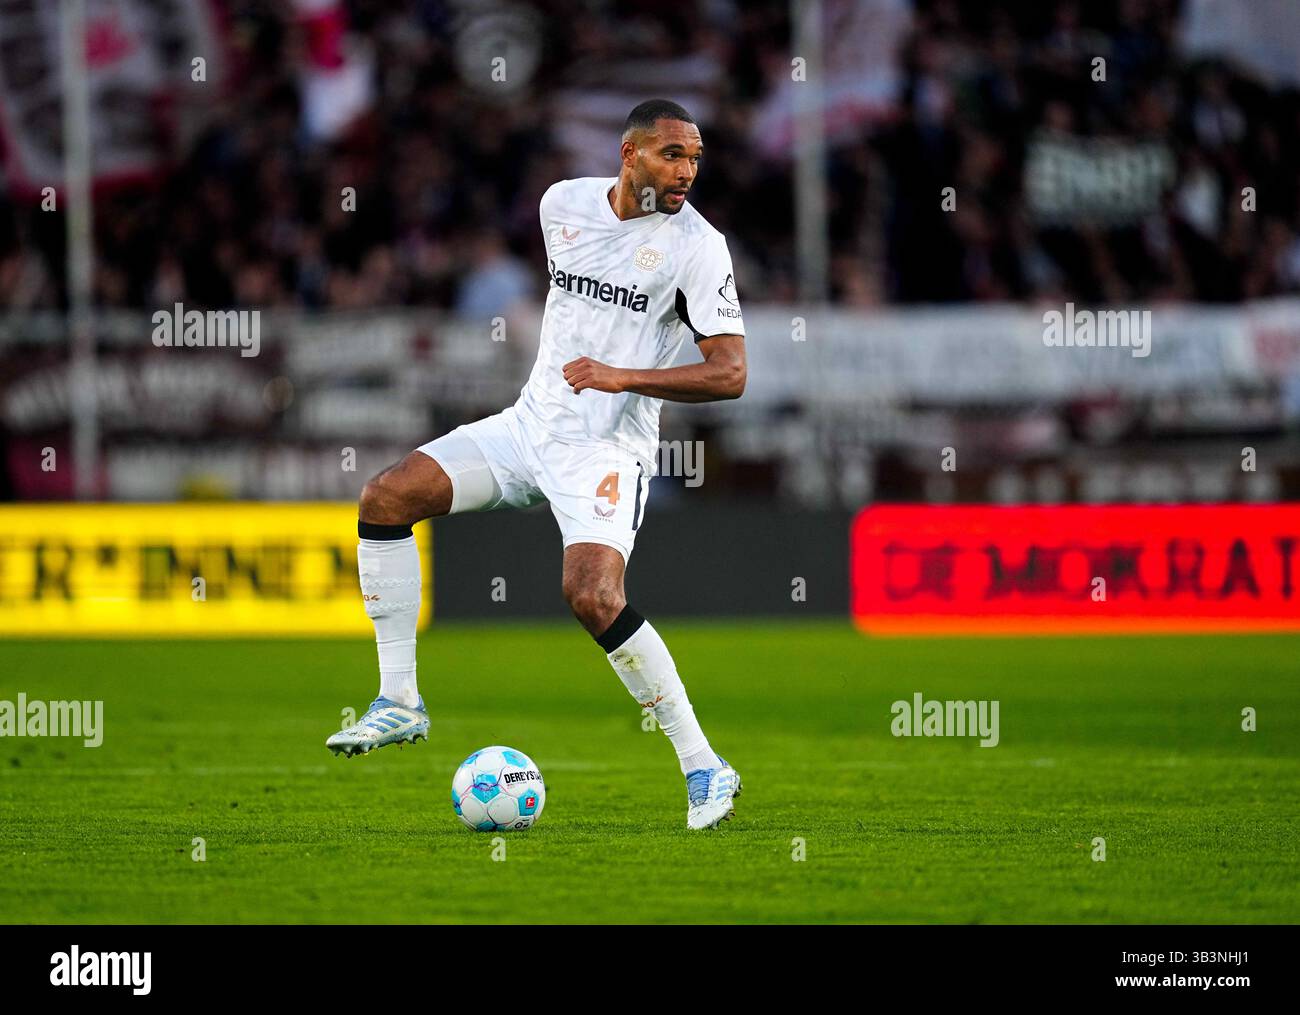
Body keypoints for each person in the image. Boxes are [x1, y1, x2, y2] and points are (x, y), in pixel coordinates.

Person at [326, 99, 747, 830]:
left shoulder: (698, 248)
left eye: (695, 159)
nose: (686, 172)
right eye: (672, 155)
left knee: (592, 596)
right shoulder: (563, 207)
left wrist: (624, 375)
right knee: (385, 497)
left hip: (607, 447)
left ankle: (706, 766)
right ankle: (400, 701)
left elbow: (731, 372)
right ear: (629, 154)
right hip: (527, 428)